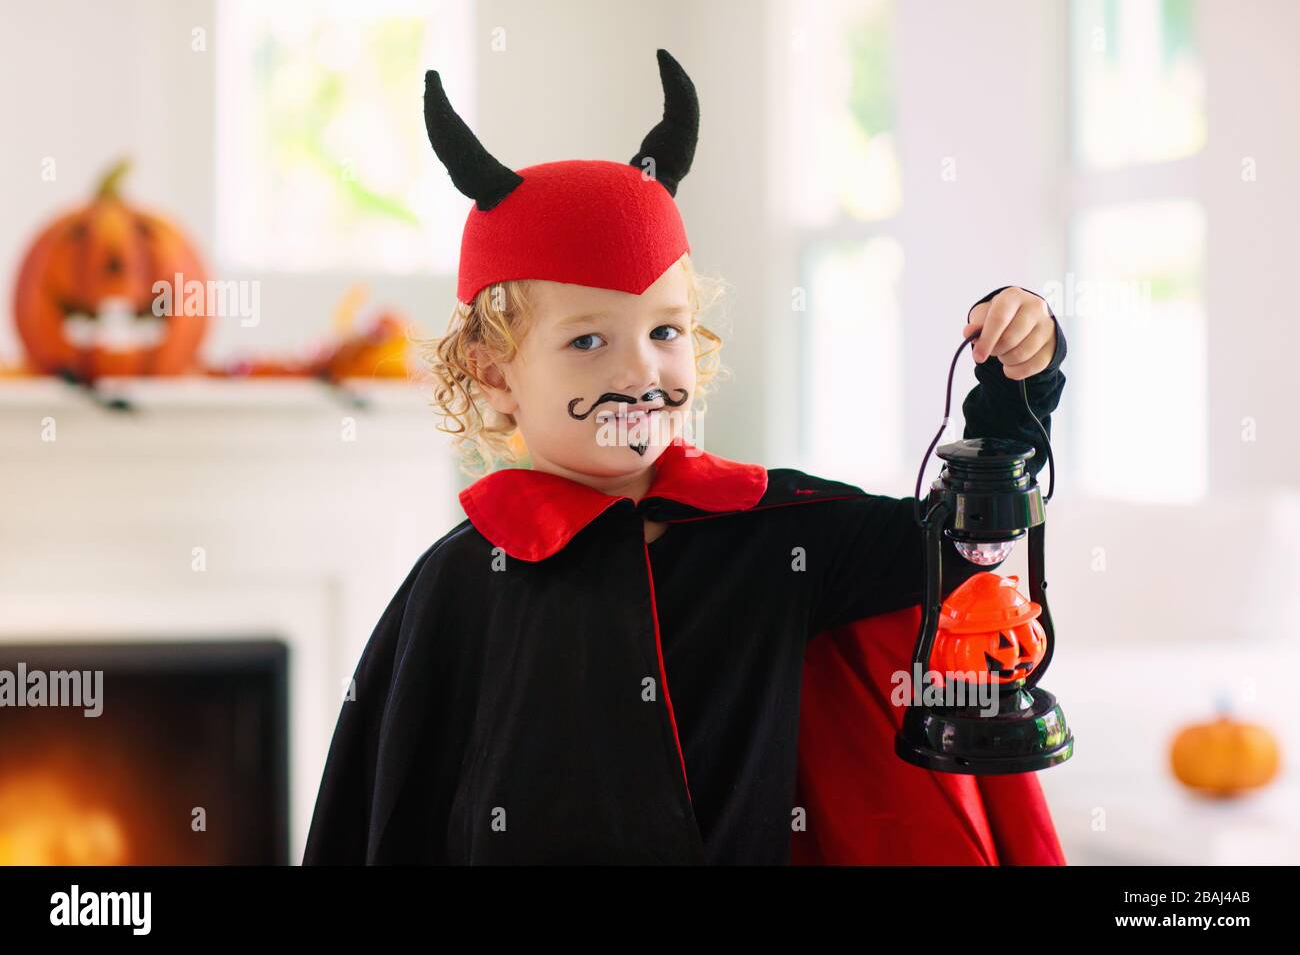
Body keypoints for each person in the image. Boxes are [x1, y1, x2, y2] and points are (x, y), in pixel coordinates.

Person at [302, 49, 1067, 865]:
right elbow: (384, 821)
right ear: (496, 377)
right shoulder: (457, 587)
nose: (638, 371)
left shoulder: (775, 538)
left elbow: (962, 534)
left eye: (664, 331)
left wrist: (1014, 380)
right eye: (588, 339)